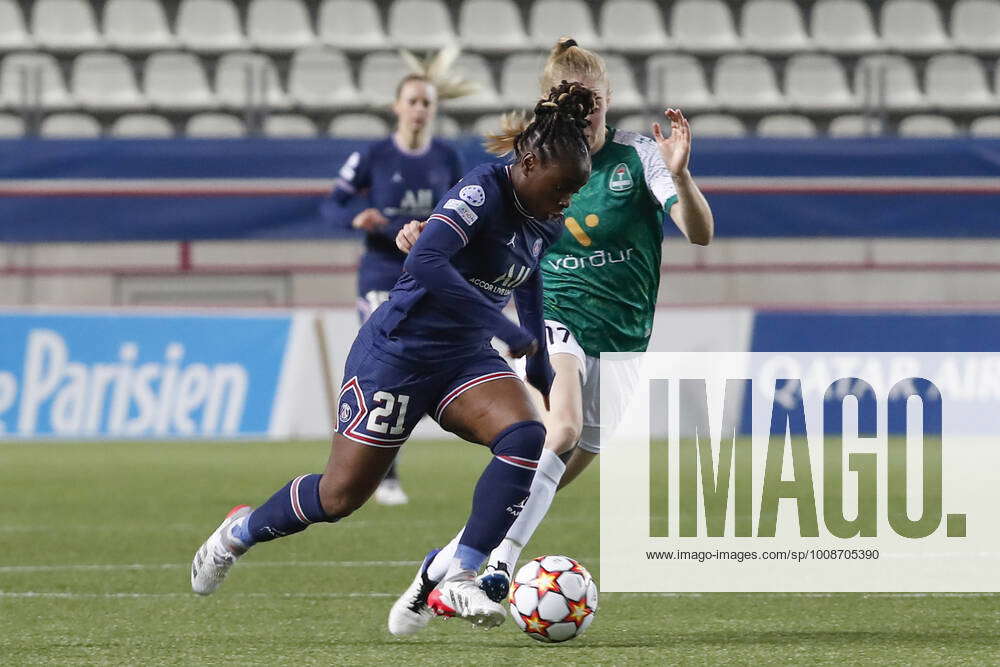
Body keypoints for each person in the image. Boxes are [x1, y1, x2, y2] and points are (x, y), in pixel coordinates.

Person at [191, 81, 598, 632]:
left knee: (525, 436)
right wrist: (502, 328)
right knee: (339, 496)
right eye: (563, 187)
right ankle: (238, 532)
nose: (567, 200)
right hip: (397, 353)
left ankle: (460, 577)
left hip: (462, 358)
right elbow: (426, 264)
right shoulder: (481, 192)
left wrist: (539, 363)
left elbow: (528, 277)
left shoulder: (544, 215)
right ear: (527, 163)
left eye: (574, 190)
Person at [389, 37, 714, 633]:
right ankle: (493, 570)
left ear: (610, 100)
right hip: (552, 313)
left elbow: (700, 234)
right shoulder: (531, 164)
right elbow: (467, 222)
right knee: (555, 429)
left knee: (563, 466)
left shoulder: (638, 156)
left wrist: (682, 177)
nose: (590, 112)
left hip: (622, 333)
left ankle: (439, 565)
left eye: (598, 101)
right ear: (554, 103)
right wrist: (421, 233)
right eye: (580, 102)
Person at [320, 49, 469, 505]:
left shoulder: (448, 157)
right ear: (397, 107)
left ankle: (384, 449)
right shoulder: (373, 155)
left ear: (434, 110)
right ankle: (383, 473)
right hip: (382, 271)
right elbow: (331, 205)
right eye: (413, 101)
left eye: (427, 103)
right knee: (390, 358)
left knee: (423, 367)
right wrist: (356, 218)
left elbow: (468, 209)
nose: (420, 110)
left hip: (432, 273)